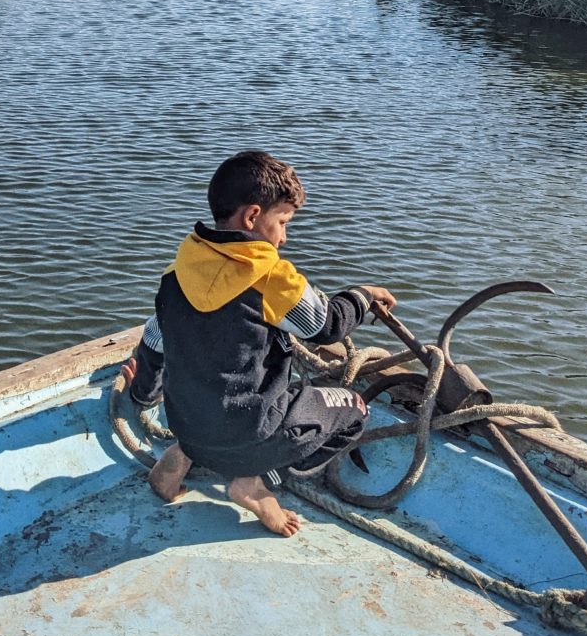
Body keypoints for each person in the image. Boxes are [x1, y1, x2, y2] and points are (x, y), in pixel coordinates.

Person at [122, 150, 397, 536]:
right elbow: (327, 326)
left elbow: (153, 340)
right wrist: (362, 295)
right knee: (354, 411)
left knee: (210, 400)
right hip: (250, 431)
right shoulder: (271, 277)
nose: (284, 237)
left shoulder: (176, 273)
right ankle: (256, 482)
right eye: (282, 222)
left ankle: (180, 455)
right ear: (252, 217)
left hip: (186, 424)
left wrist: (142, 393)